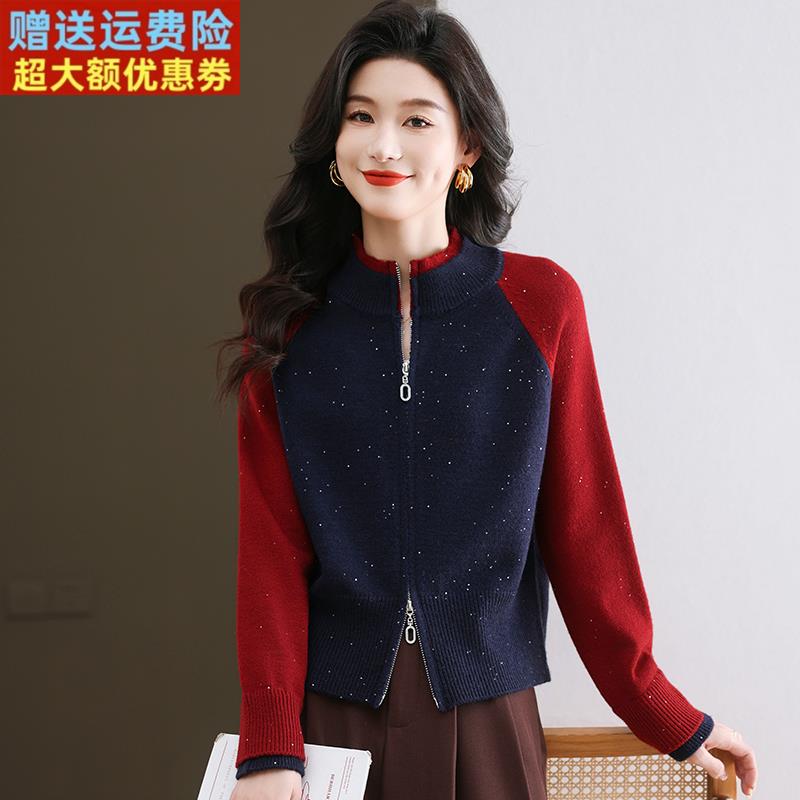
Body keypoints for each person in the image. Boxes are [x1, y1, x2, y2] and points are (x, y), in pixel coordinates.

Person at [217, 2, 758, 798]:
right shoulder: (287, 329)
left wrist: (665, 713)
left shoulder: (540, 305)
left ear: (466, 143)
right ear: (333, 143)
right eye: (360, 116)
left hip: (490, 720)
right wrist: (269, 751)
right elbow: (270, 555)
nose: (384, 144)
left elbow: (585, 531)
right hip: (331, 729)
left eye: (416, 119)